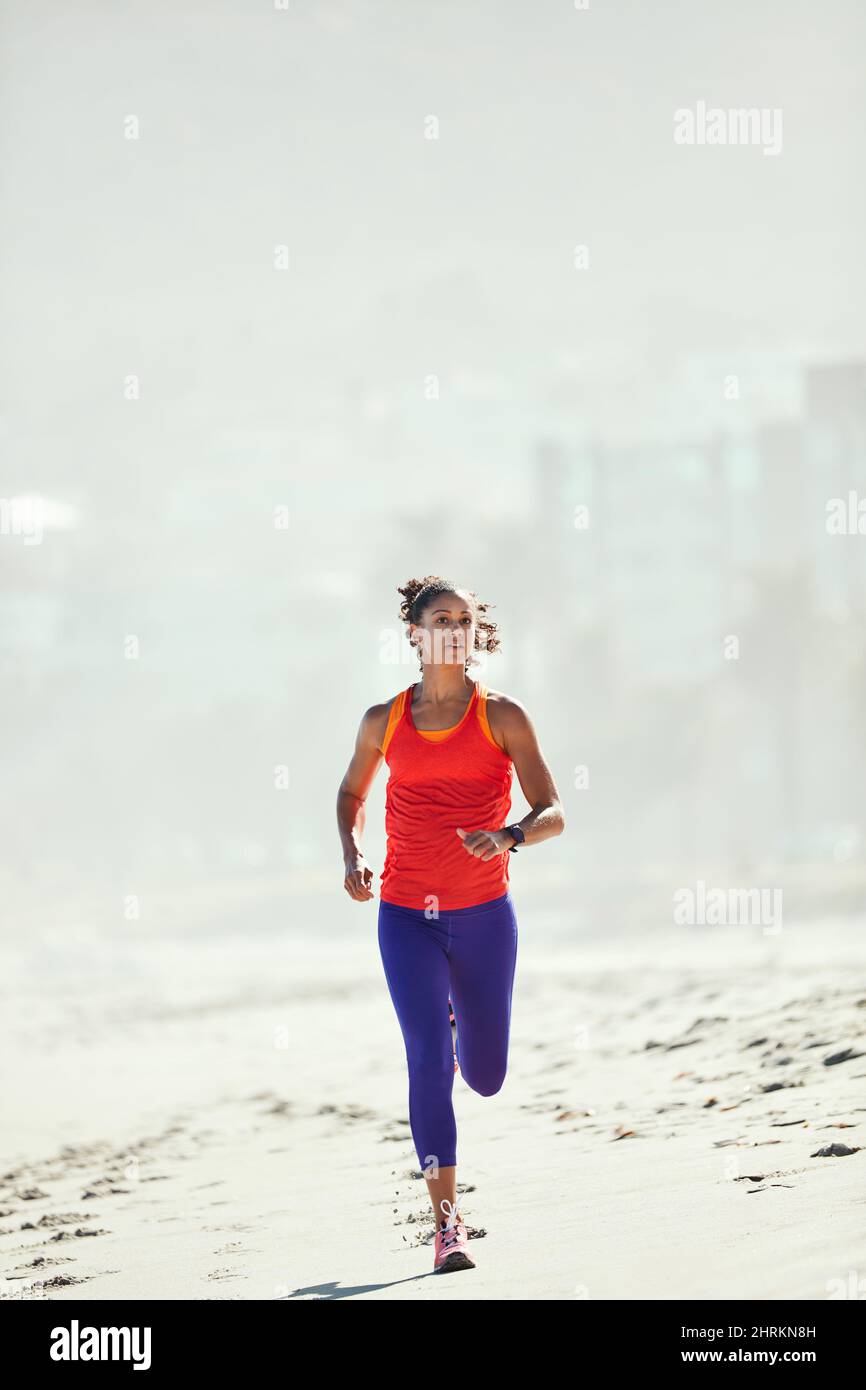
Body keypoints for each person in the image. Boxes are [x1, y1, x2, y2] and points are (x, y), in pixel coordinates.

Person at [336, 576, 565, 1273]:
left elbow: (552, 809)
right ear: (414, 633)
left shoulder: (503, 717)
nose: (457, 629)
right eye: (443, 618)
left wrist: (511, 836)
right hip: (406, 915)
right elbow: (351, 792)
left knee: (486, 1076)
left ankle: (466, 1033)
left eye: (466, 619)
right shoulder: (385, 720)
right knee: (427, 1062)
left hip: (484, 917)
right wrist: (352, 852)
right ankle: (446, 1227)